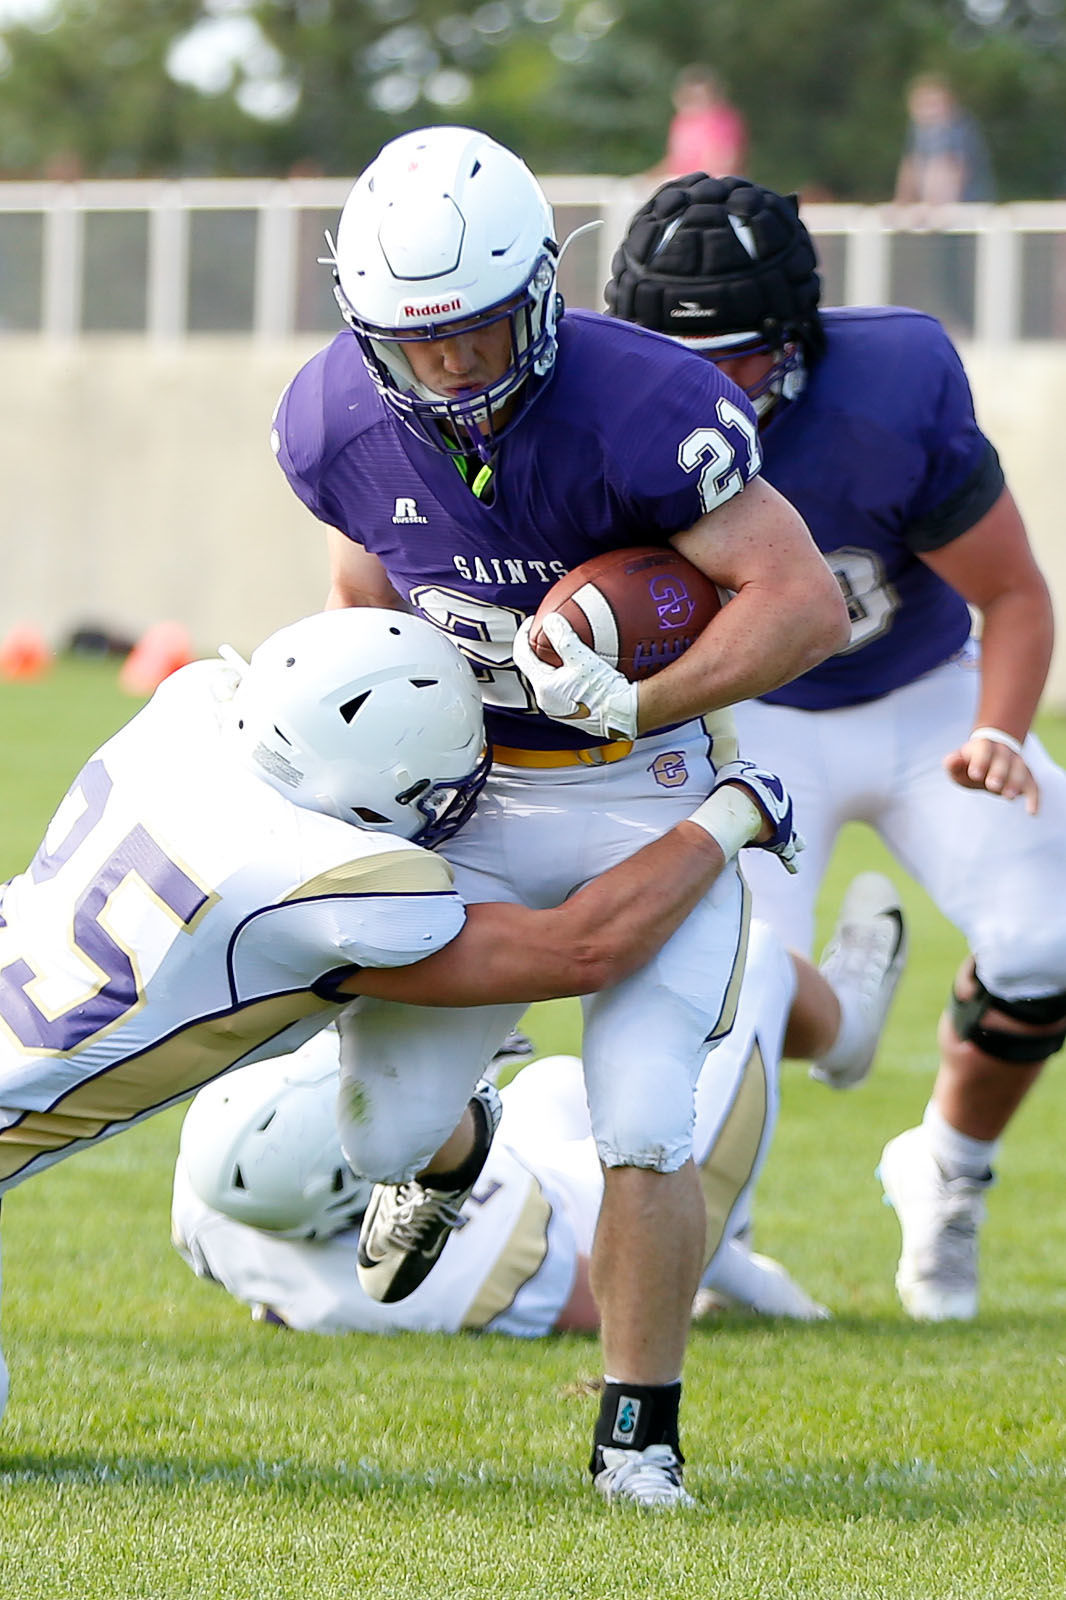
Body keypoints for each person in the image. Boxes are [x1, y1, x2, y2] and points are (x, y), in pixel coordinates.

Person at [270, 124, 850, 1507]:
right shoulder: (332, 415)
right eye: (419, 345)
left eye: (475, 333)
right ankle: (460, 1148)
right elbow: (368, 595)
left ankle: (636, 1435)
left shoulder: (645, 402)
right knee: (380, 1138)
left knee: (646, 1120)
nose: (453, 371)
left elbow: (806, 605)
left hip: (635, 791)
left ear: (539, 289)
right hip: (465, 800)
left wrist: (635, 709)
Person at [0, 602, 805, 1429]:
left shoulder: (191, 704)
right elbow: (582, 950)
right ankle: (458, 1140)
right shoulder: (330, 889)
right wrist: (731, 811)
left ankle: (453, 1143)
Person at [604, 171, 1066, 1325]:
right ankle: (721, 1241)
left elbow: (1013, 595)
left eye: (742, 360)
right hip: (749, 717)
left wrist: (1000, 733)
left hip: (921, 695)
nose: (708, 391)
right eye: (677, 361)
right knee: (732, 976)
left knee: (1049, 936)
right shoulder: (596, 407)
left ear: (800, 337)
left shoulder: (892, 382)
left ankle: (947, 1169)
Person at [174, 902, 906, 1337]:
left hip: (534, 1172)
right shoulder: (455, 1270)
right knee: (753, 957)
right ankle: (847, 1038)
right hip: (611, 1212)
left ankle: (759, 1286)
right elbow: (608, 1305)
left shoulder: (213, 1201)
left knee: (552, 1082)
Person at [894, 71, 994, 208]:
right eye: (922, 105)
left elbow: (951, 169)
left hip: (968, 204)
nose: (928, 112)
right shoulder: (918, 129)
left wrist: (933, 208)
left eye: (933, 104)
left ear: (948, 105)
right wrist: (901, 204)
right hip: (937, 204)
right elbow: (910, 166)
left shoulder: (959, 127)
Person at [649, 65, 748, 182]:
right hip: (681, 184)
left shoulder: (723, 121)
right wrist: (647, 178)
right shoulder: (681, 121)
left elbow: (721, 166)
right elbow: (675, 162)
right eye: (689, 97)